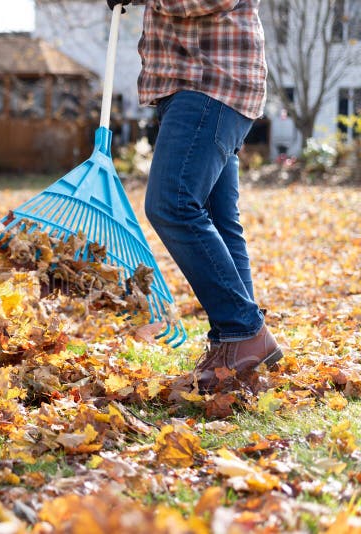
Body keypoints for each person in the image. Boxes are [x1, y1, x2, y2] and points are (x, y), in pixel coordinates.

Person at [106, 0, 282, 392]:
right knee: (219, 219)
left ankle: (243, 330)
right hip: (197, 85)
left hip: (210, 82)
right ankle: (236, 349)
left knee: (172, 204)